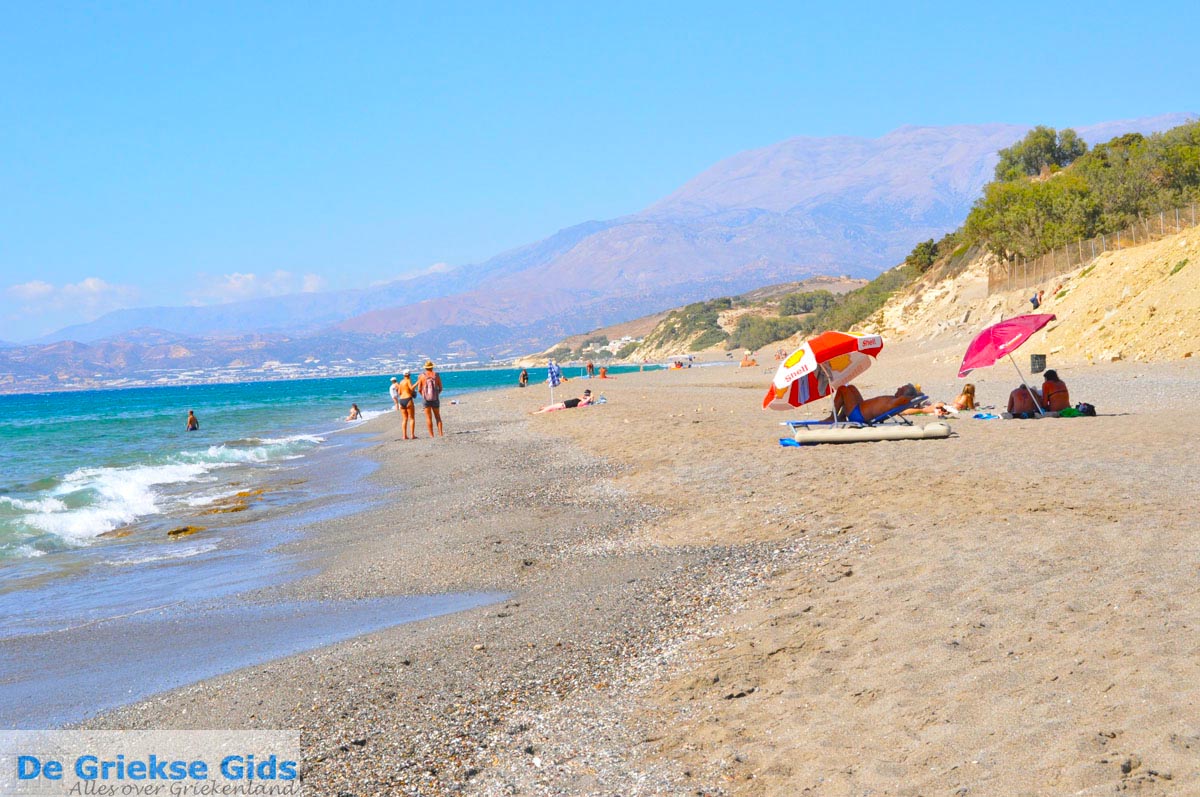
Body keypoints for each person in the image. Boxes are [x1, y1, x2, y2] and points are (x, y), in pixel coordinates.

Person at [417, 360, 444, 437]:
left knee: (428, 418)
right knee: (438, 417)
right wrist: (436, 394)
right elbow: (441, 388)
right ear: (432, 367)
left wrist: (424, 395)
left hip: (426, 399)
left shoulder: (421, 376)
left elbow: (419, 389)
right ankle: (441, 434)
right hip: (435, 398)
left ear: (425, 368)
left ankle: (431, 435)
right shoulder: (436, 375)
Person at [396, 371, 416, 439]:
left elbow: (399, 392)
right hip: (408, 399)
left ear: (403, 375)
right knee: (412, 418)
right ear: (409, 375)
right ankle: (412, 435)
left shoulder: (401, 382)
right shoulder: (408, 380)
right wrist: (417, 383)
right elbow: (411, 388)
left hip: (401, 400)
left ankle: (404, 436)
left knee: (404, 419)